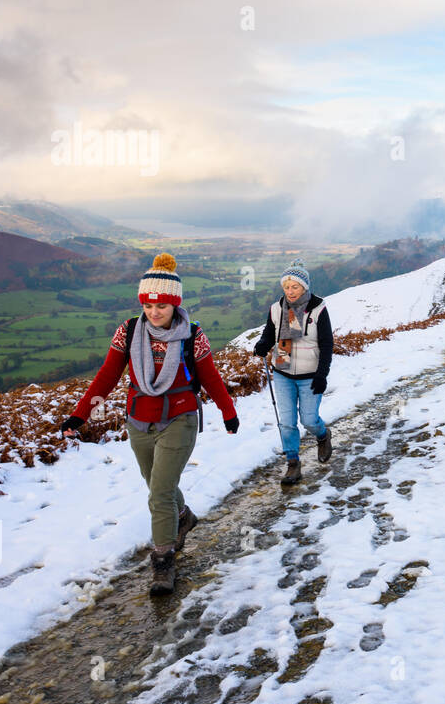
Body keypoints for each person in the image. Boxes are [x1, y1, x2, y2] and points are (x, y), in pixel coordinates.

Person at [59, 253, 239, 596]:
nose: (154, 312)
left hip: (180, 418)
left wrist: (227, 411)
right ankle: (182, 516)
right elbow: (107, 377)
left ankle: (162, 563)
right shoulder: (128, 332)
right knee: (159, 486)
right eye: (148, 305)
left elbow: (211, 378)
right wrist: (80, 415)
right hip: (139, 420)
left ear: (175, 305)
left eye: (162, 306)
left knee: (158, 494)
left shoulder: (192, 336)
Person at [252, 259, 334, 485]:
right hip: (283, 372)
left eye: (295, 287)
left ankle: (322, 434)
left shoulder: (318, 309)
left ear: (304, 287)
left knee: (308, 419)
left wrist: (322, 375)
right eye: (286, 287)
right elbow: (270, 334)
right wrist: (262, 345)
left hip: (310, 375)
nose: (290, 291)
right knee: (286, 422)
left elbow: (327, 344)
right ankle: (293, 463)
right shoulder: (277, 309)